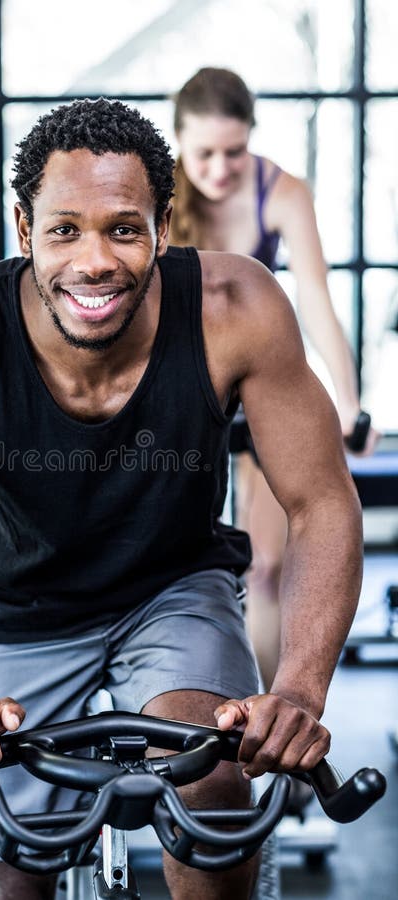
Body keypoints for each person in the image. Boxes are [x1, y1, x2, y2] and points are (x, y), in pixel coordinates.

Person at [0, 98, 362, 900]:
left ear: (164, 226)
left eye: (124, 229)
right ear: (25, 231)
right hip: (18, 607)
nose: (94, 261)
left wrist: (298, 689)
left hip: (173, 589)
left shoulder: (236, 308)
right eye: (65, 230)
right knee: (12, 869)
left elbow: (323, 503)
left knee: (213, 794)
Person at [170, 67, 376, 693]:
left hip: (253, 379)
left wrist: (349, 402)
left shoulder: (282, 192)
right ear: (179, 140)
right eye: (204, 153)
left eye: (234, 151)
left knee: (264, 566)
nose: (220, 169)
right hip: (177, 387)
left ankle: (265, 722)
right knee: (171, 570)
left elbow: (315, 300)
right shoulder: (158, 190)